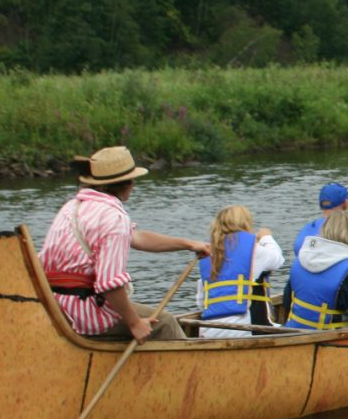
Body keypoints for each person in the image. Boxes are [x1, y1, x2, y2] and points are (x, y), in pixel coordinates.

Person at [39, 146, 209, 343]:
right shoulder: (113, 218)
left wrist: (188, 244)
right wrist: (134, 323)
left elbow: (136, 238)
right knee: (165, 323)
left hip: (55, 305)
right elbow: (109, 284)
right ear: (126, 184)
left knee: (147, 317)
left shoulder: (72, 207)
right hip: (85, 312)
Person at [195, 206, 285, 339]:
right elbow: (278, 260)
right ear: (246, 223)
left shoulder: (207, 250)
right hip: (239, 329)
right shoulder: (252, 249)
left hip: (208, 329)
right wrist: (266, 237)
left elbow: (201, 302)